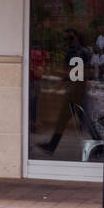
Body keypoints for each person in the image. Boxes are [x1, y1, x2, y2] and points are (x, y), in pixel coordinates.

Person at [36, 28, 93, 156]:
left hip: (77, 90)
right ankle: (52, 146)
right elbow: (70, 73)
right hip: (74, 89)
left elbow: (79, 73)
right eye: (66, 38)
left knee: (80, 120)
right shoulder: (73, 52)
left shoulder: (82, 52)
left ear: (77, 37)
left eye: (70, 38)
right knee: (82, 120)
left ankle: (52, 146)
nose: (68, 41)